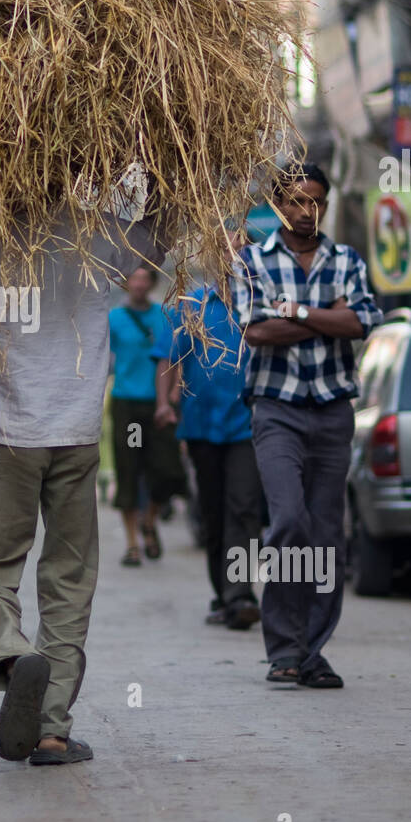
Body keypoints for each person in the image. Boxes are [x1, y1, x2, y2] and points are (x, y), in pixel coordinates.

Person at [0, 199, 173, 765]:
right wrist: (168, 170)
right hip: (78, 432)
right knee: (68, 579)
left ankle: (11, 656)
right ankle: (54, 729)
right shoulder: (102, 228)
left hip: (7, 432)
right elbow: (158, 238)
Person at [231, 163, 382, 688]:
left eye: (315, 201)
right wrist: (324, 314)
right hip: (277, 409)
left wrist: (292, 311)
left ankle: (312, 652)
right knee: (289, 523)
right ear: (278, 206)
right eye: (294, 201)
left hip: (334, 411)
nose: (305, 211)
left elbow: (362, 322)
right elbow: (254, 332)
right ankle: (283, 647)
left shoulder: (347, 260)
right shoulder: (252, 260)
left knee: (326, 537)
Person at [152, 231, 261, 630]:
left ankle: (241, 594)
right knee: (213, 514)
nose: (236, 256)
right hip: (200, 426)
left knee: (245, 508)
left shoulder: (261, 304)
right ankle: (224, 593)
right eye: (228, 250)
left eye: (243, 249)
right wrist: (164, 403)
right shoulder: (192, 305)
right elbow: (168, 359)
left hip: (249, 425)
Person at [108, 266, 186, 566]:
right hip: (128, 405)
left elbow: (176, 355)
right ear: (126, 282)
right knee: (129, 468)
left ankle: (150, 519)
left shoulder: (164, 315)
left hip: (159, 405)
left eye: (144, 278)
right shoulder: (114, 318)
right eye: (133, 277)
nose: (138, 283)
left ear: (152, 283)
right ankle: (132, 545)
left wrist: (175, 391)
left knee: (165, 469)